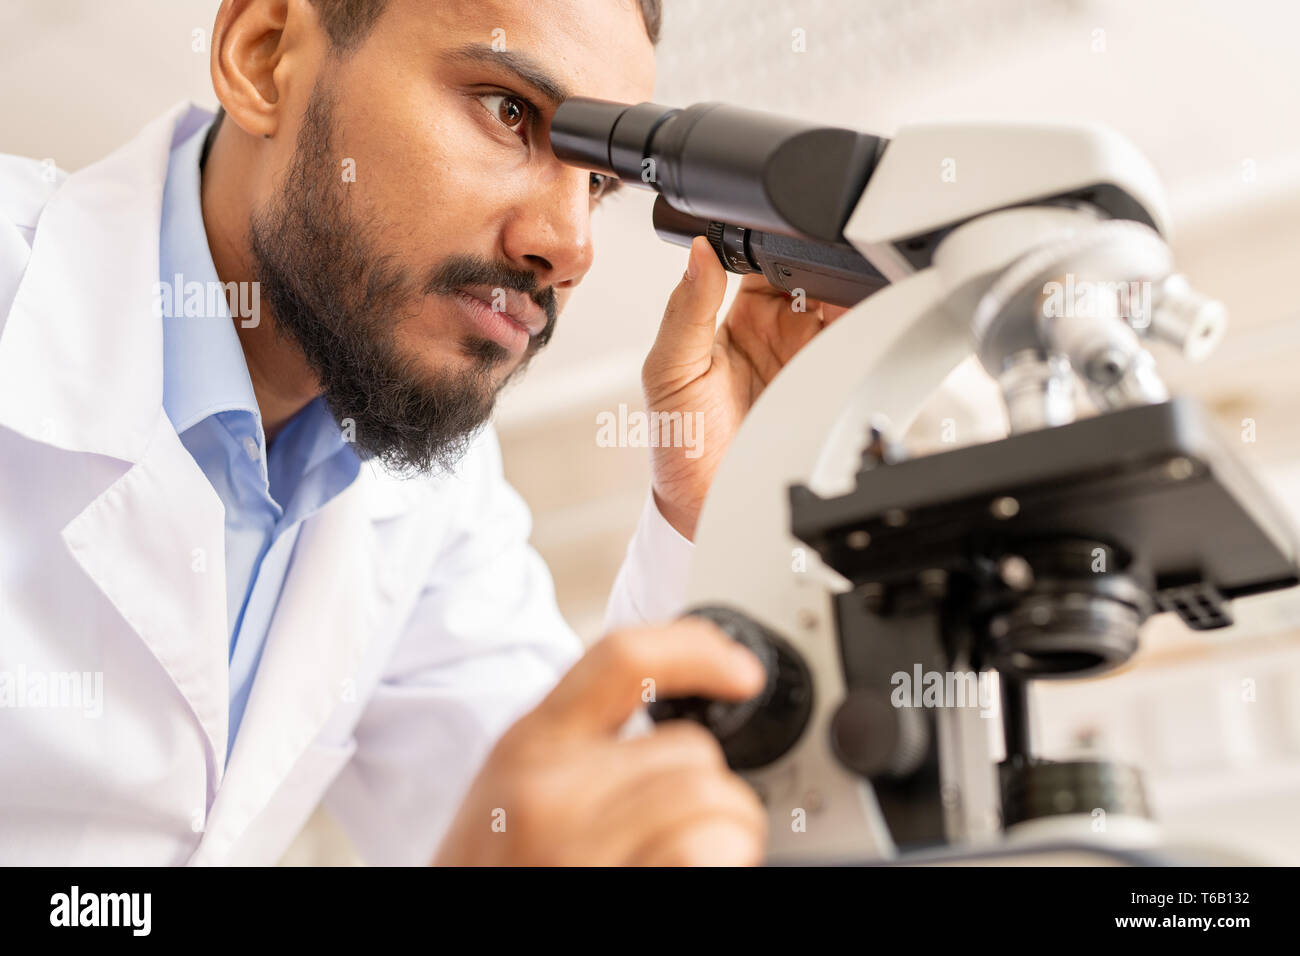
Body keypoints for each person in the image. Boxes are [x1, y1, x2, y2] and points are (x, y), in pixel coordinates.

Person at [0, 0, 844, 865]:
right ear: (263, 57)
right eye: (508, 111)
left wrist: (713, 515)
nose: (572, 246)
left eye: (596, 180)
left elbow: (579, 808)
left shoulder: (432, 491)